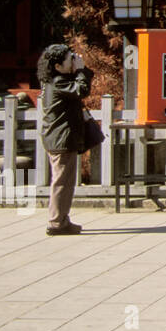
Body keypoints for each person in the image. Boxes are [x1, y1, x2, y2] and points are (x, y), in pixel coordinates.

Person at [38, 43, 94, 236]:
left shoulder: (54, 81)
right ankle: (56, 222)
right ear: (57, 66)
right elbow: (82, 90)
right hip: (61, 139)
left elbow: (81, 86)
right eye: (69, 60)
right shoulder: (59, 83)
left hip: (58, 138)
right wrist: (80, 70)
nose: (73, 62)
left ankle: (62, 219)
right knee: (62, 181)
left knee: (64, 180)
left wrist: (80, 69)